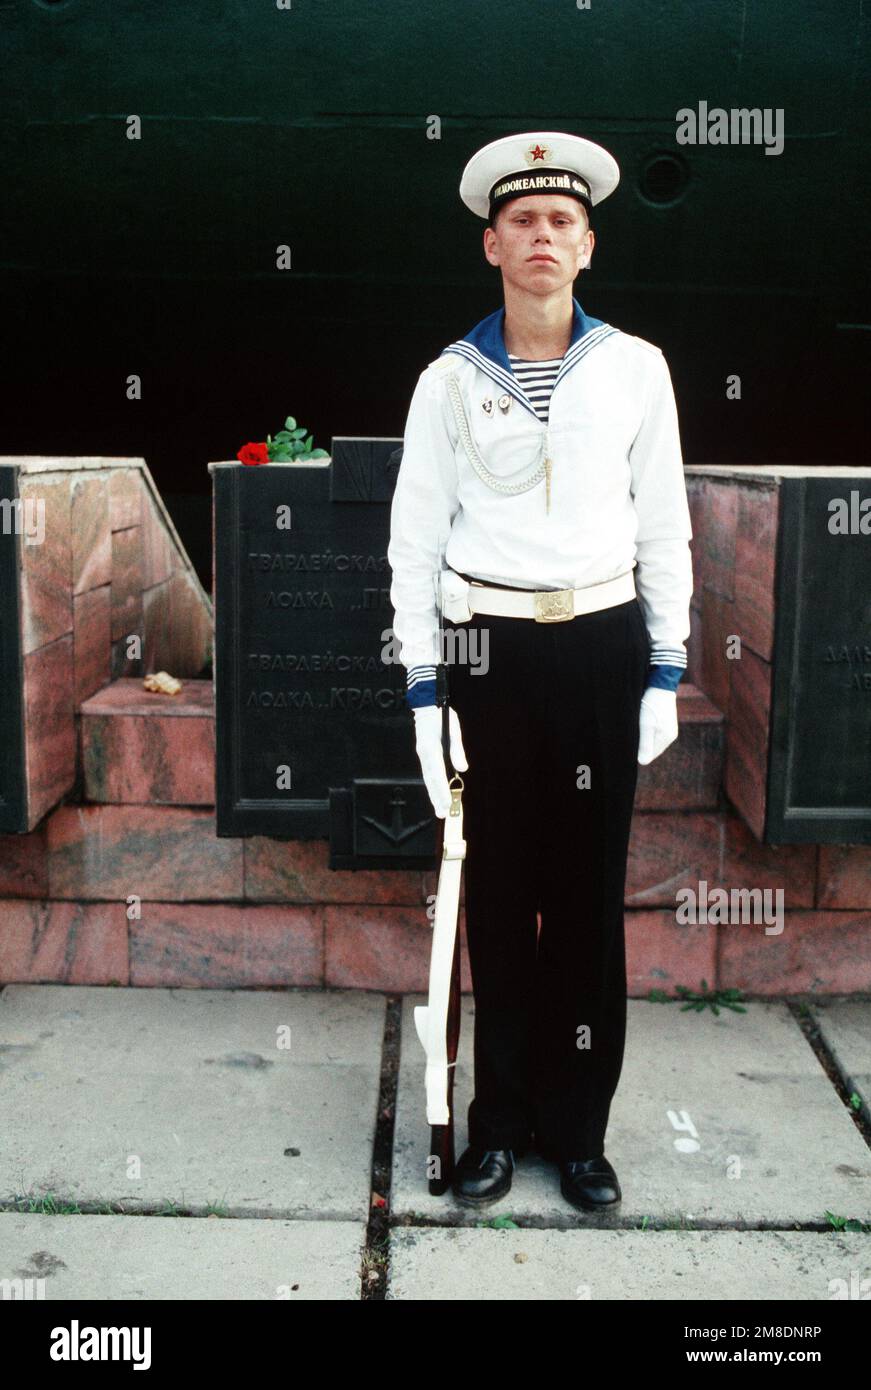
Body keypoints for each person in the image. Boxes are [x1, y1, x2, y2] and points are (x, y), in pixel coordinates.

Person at [387, 132, 693, 1211]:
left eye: (561, 221)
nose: (542, 236)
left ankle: (580, 1132)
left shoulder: (635, 369)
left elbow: (664, 523)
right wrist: (425, 689)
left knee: (586, 903)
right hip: (491, 653)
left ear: (589, 244)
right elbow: (414, 543)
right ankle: (498, 1124)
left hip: (599, 647)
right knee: (497, 898)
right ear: (490, 244)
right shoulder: (446, 381)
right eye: (522, 221)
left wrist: (665, 665)